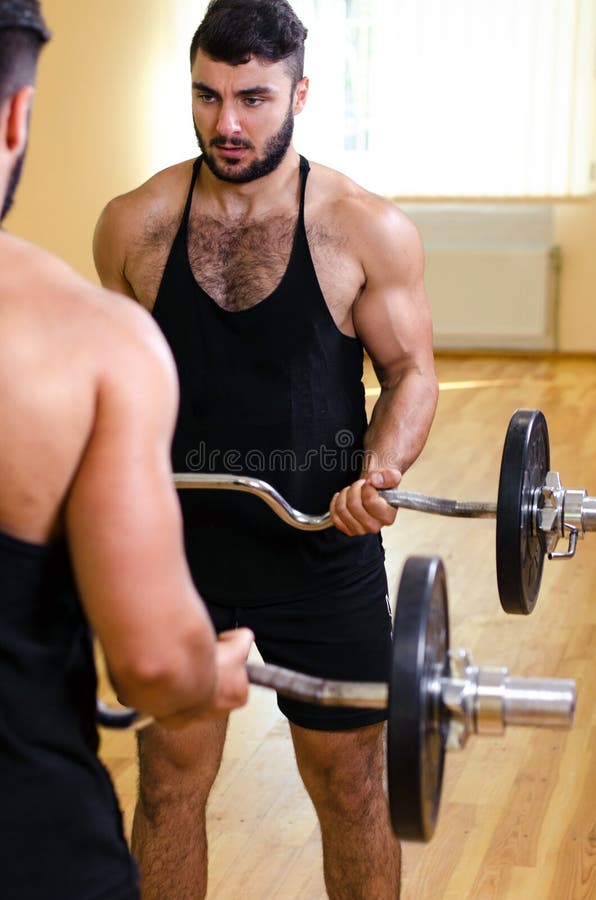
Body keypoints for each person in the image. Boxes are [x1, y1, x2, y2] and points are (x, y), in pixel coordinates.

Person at [94, 0, 438, 896]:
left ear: (301, 92)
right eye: (207, 97)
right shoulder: (135, 226)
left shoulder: (363, 228)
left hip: (323, 550)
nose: (228, 124)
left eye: (253, 98)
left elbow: (410, 374)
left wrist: (381, 471)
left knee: (353, 788)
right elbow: (123, 388)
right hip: (177, 554)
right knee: (169, 788)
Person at [0, 3, 254, 899]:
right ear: (17, 116)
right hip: (29, 844)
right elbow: (149, 662)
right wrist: (206, 670)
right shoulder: (90, 341)